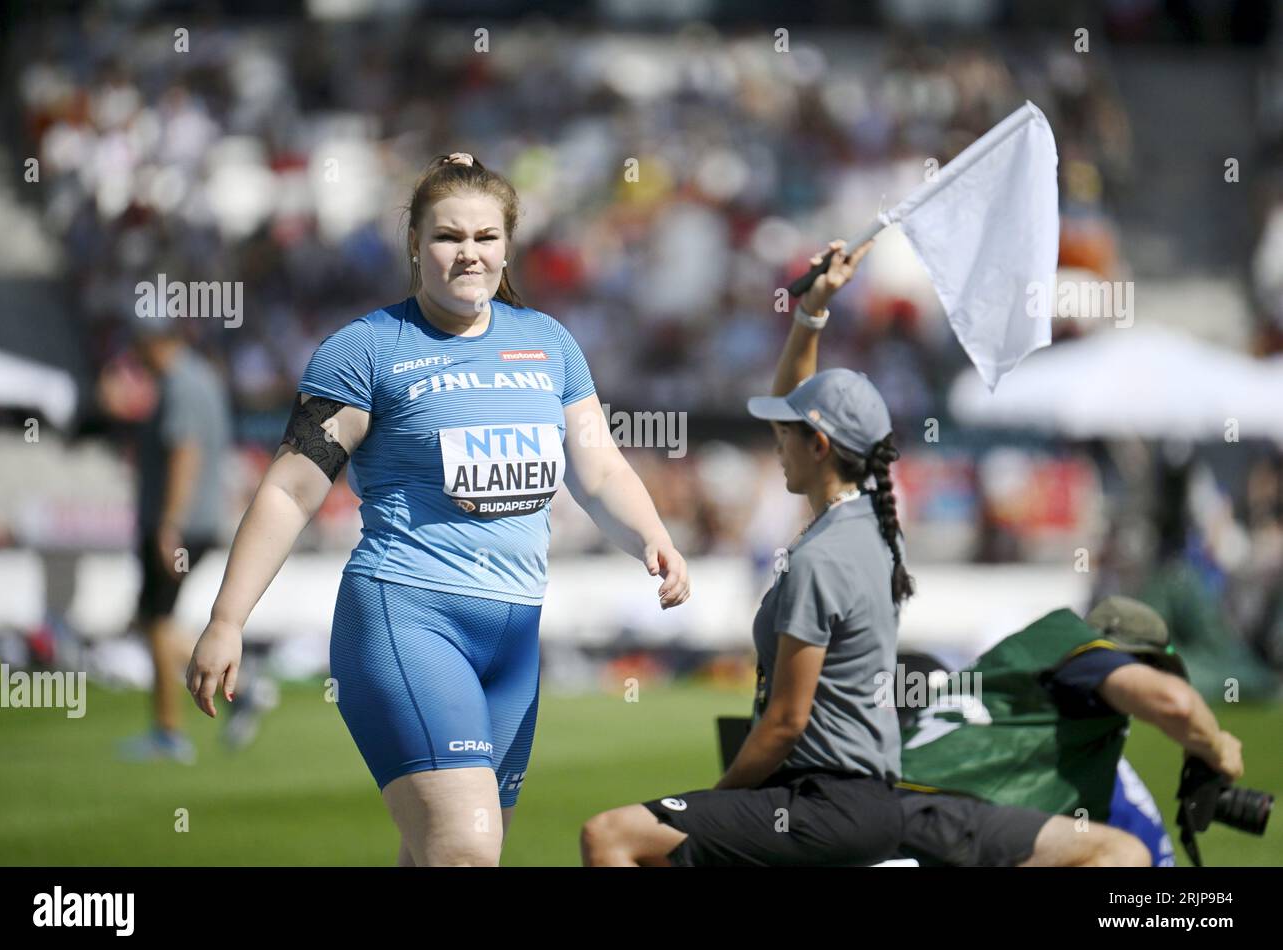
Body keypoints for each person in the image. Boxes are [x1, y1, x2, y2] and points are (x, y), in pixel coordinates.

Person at [185, 152, 689, 866]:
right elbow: (289, 489)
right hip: (408, 616)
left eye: (486, 237)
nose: (469, 254)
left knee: (437, 853)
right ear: (416, 244)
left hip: (514, 637)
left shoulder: (549, 344)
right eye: (449, 236)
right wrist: (226, 620)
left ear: (509, 245)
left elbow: (599, 467)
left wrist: (651, 536)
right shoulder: (363, 351)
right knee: (466, 850)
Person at [581, 239, 915, 866]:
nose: (775, 443)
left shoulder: (822, 557)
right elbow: (801, 405)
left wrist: (717, 800)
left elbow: (787, 721)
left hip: (824, 800)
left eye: (786, 434)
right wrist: (811, 312)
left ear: (818, 447)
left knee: (610, 836)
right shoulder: (871, 522)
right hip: (861, 797)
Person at [894, 595, 1245, 866]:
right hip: (937, 807)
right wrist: (1214, 747)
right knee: (1120, 856)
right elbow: (1177, 705)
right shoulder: (1084, 657)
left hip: (912, 806)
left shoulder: (1025, 670)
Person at [117, 312, 231, 764]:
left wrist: (169, 524)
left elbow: (185, 452)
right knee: (153, 620)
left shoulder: (180, 383)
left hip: (180, 525)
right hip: (195, 521)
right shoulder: (200, 376)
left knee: (158, 622)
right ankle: (243, 687)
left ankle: (168, 732)